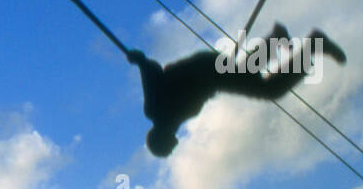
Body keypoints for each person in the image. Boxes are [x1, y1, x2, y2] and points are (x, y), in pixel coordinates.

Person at [127, 23, 347, 157]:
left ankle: (315, 44)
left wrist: (140, 61)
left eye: (169, 148)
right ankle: (278, 38)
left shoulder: (155, 111)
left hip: (207, 71)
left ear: (162, 139)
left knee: (269, 90)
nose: (174, 145)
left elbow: (152, 71)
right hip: (212, 76)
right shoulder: (174, 119)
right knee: (249, 75)